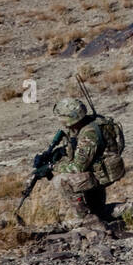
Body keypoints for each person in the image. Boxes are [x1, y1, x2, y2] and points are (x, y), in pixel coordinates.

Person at [46, 98, 126, 233]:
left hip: (99, 175)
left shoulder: (89, 133)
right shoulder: (93, 122)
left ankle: (90, 223)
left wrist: (53, 166)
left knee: (61, 181)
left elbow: (78, 167)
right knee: (99, 212)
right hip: (102, 170)